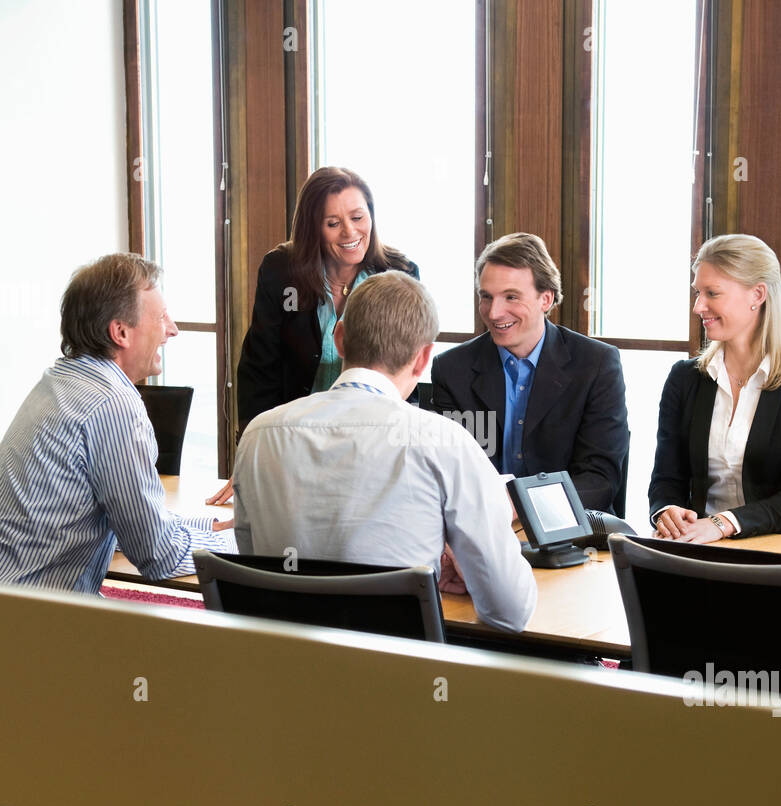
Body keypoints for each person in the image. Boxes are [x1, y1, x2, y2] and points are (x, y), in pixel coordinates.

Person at [231, 271, 536, 634]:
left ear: (339, 339)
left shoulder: (259, 434)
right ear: (423, 359)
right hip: (403, 679)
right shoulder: (446, 443)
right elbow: (509, 612)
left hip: (284, 675)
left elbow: (252, 569)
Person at [0, 253, 233, 592]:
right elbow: (158, 555)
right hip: (26, 619)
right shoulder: (113, 404)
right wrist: (245, 543)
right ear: (120, 332)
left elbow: (125, 523)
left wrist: (212, 526)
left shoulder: (59, 380)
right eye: (162, 317)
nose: (173, 330)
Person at [648, 234, 781, 542]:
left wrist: (722, 523)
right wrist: (666, 509)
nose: (699, 307)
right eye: (697, 293)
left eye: (712, 293)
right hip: (698, 550)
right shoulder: (684, 378)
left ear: (758, 294)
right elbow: (666, 478)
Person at [429, 232, 629, 513]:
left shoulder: (596, 364)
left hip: (570, 531)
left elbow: (598, 480)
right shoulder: (452, 369)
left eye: (511, 297)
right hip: (482, 525)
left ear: (545, 299)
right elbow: (453, 472)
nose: (494, 312)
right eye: (486, 297)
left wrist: (522, 506)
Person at [234, 166, 419, 435]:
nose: (349, 232)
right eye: (333, 223)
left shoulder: (400, 273)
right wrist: (255, 441)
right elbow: (260, 366)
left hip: (373, 434)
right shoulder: (281, 271)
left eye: (357, 217)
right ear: (313, 229)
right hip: (294, 433)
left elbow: (407, 366)